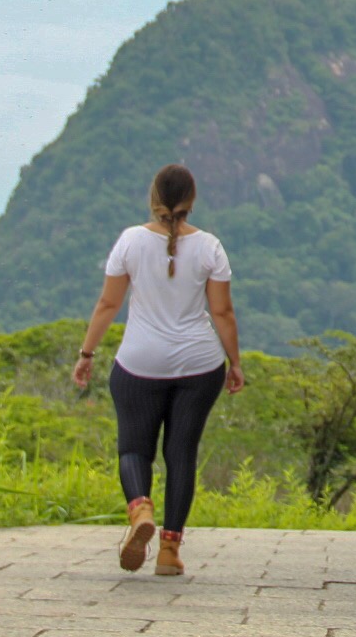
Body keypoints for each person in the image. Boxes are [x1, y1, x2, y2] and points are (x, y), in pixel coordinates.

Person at [72, 163, 245, 575]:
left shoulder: (131, 241)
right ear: (191, 202)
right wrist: (235, 362)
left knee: (134, 449)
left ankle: (140, 511)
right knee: (181, 454)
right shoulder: (210, 247)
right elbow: (222, 311)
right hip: (199, 365)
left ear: (153, 199)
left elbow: (108, 305)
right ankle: (169, 553)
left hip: (139, 363)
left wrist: (87, 353)